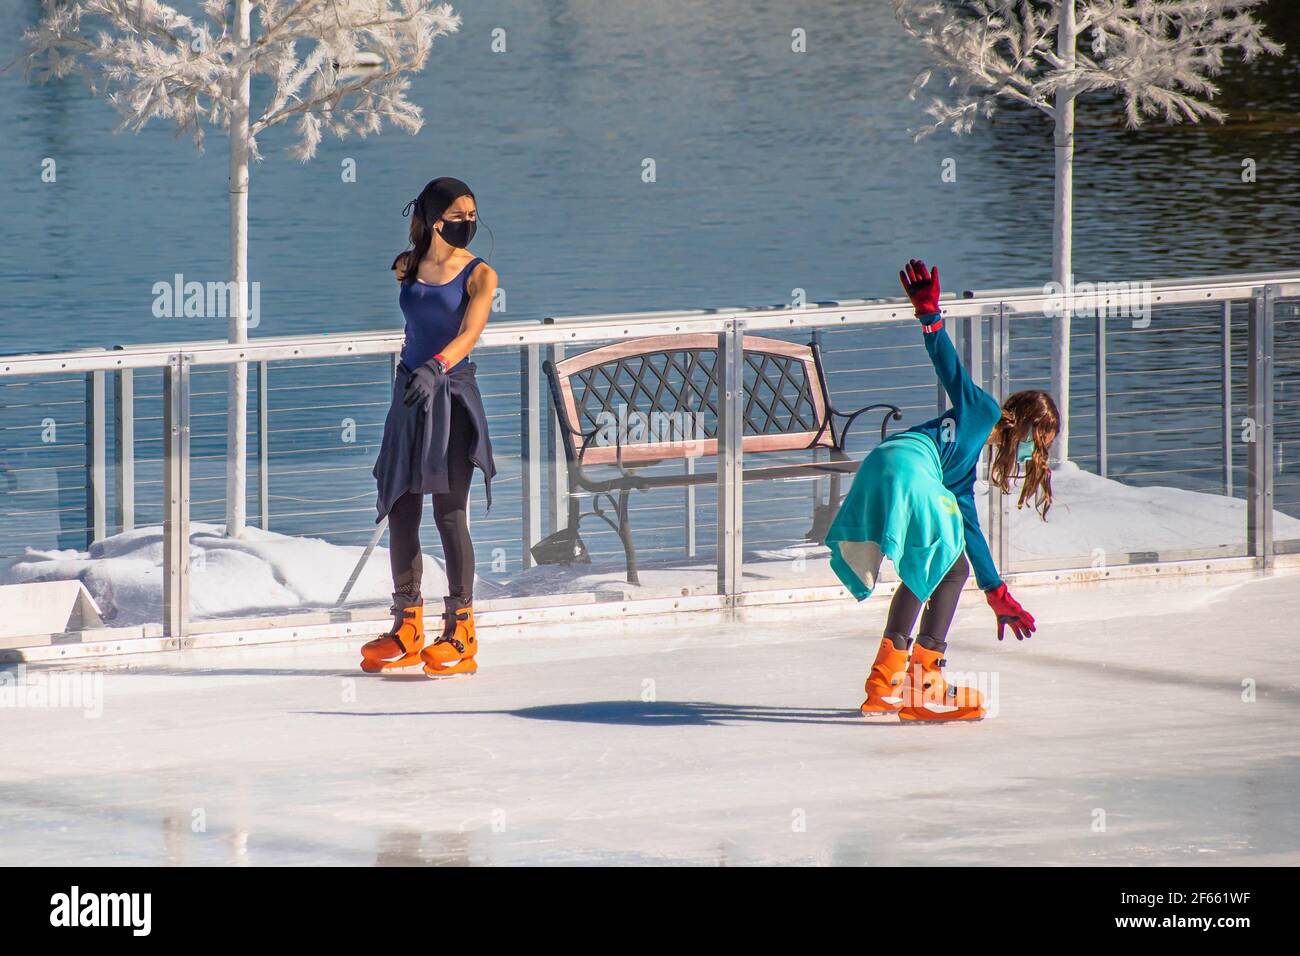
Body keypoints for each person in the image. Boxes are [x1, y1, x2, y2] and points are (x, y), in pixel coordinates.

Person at [825, 260, 1057, 721]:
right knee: (949, 569)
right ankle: (924, 682)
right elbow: (950, 368)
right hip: (910, 467)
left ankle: (883, 682)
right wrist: (930, 318)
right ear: (1026, 425)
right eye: (1039, 442)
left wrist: (995, 589)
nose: (1034, 455)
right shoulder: (984, 409)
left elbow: (968, 527)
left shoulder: (960, 474)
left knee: (933, 566)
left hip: (885, 462)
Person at [360, 177, 499, 678]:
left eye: (473, 214)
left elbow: (471, 333)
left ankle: (460, 629)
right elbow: (412, 327)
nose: (469, 223)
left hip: (451, 396)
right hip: (408, 394)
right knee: (400, 506)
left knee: (448, 514)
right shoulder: (407, 266)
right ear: (435, 218)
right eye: (459, 215)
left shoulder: (481, 275)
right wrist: (412, 375)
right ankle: (406, 624)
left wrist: (437, 366)